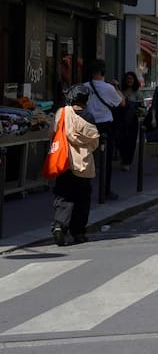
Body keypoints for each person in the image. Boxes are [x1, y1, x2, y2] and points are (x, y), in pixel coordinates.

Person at [51, 86, 100, 247]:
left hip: (64, 161)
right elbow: (94, 142)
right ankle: (78, 232)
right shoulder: (89, 117)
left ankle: (59, 226)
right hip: (83, 163)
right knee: (82, 198)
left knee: (63, 195)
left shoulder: (62, 113)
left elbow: (52, 132)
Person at [85, 58, 124, 200]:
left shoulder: (84, 87)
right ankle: (105, 190)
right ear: (103, 72)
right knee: (106, 159)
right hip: (105, 126)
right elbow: (122, 102)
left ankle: (85, 189)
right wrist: (117, 88)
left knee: (86, 158)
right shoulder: (109, 88)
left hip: (88, 125)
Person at [114, 70, 143, 172]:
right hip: (121, 121)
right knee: (121, 141)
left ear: (134, 80)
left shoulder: (138, 93)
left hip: (132, 121)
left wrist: (137, 112)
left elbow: (142, 108)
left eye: (131, 79)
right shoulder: (121, 91)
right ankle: (124, 159)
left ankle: (127, 162)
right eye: (127, 79)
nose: (129, 80)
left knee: (131, 142)